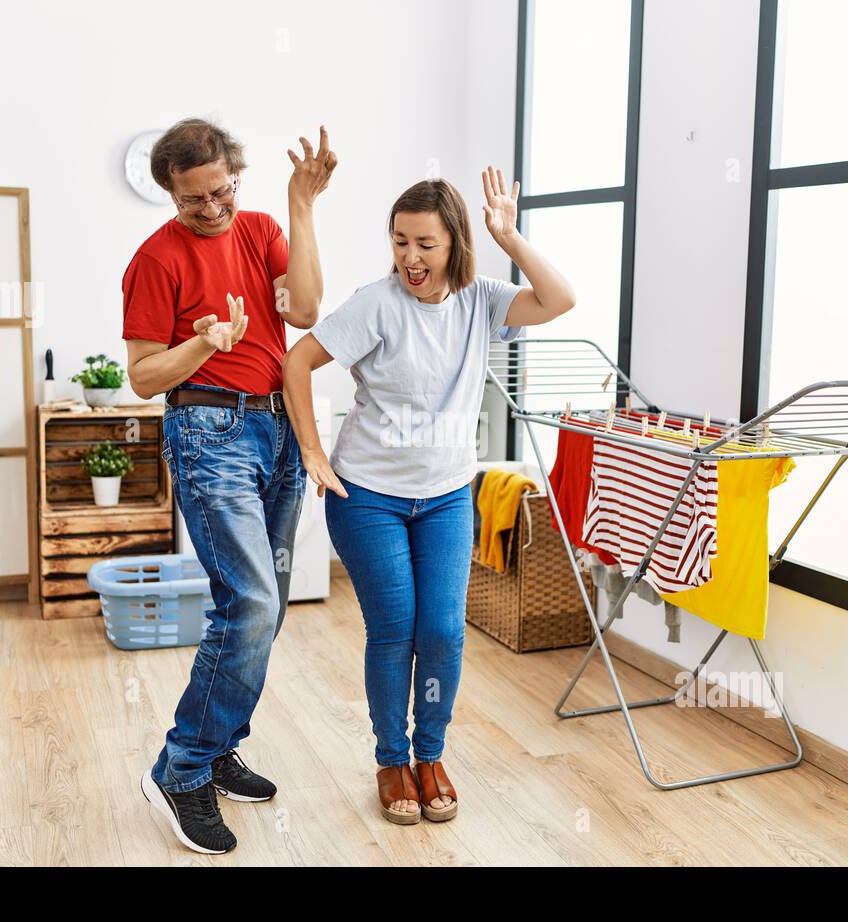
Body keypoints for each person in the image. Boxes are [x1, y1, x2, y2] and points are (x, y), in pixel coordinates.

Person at [281, 167, 574, 824]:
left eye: (425, 244)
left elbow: (559, 299)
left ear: (456, 245)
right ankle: (392, 762)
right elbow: (296, 361)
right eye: (400, 241)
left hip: (444, 497)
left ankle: (430, 755)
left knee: (441, 631)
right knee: (395, 630)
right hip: (369, 496)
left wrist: (510, 233)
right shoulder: (377, 303)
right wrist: (311, 450)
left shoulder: (481, 300)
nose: (409, 258)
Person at [123, 117, 337, 854]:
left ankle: (214, 749)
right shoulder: (155, 260)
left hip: (276, 430)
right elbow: (143, 375)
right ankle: (181, 768)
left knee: (263, 610)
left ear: (233, 174)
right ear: (170, 195)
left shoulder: (264, 229)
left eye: (222, 191)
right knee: (248, 603)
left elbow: (304, 311)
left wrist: (302, 206)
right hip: (208, 433)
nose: (212, 208)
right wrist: (202, 343)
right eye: (194, 201)